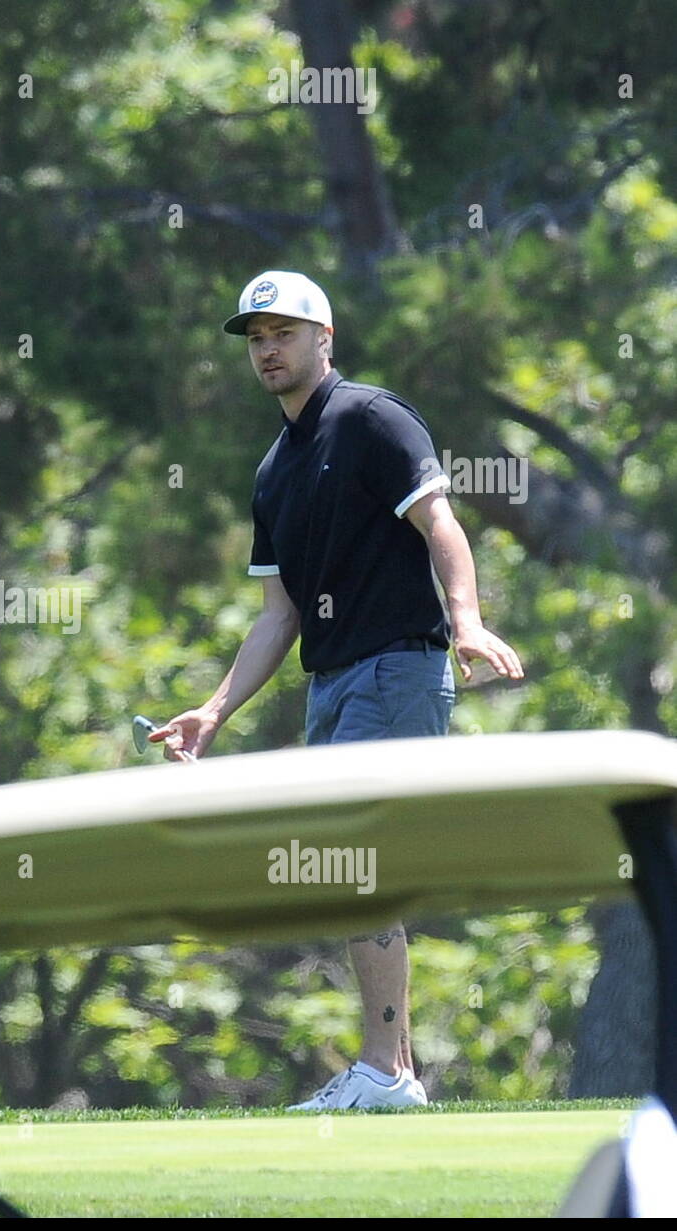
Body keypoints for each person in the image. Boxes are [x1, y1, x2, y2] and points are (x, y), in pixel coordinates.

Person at [150, 270, 525, 1110]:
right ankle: (395, 1072)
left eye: (283, 332)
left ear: (325, 339)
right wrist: (213, 711)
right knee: (353, 868)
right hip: (333, 686)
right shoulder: (273, 471)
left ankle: (385, 1073)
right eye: (255, 337)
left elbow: (443, 523)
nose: (267, 349)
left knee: (359, 868)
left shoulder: (372, 418)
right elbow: (278, 617)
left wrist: (465, 620)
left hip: (397, 667)